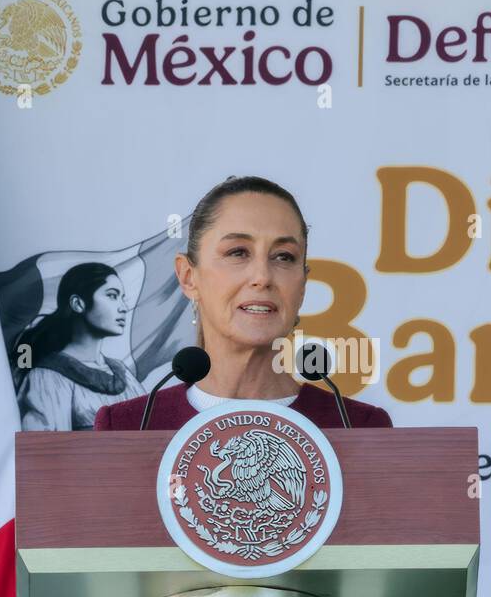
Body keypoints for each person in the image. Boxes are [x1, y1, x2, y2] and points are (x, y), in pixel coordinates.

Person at [94, 175, 393, 431]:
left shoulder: (359, 426)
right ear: (188, 277)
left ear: (302, 286)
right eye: (238, 252)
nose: (262, 277)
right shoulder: (128, 426)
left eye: (284, 256)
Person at [14, 261, 146, 430]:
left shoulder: (122, 373)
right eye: (112, 295)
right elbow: (47, 451)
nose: (124, 307)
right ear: (78, 303)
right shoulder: (48, 377)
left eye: (122, 298)